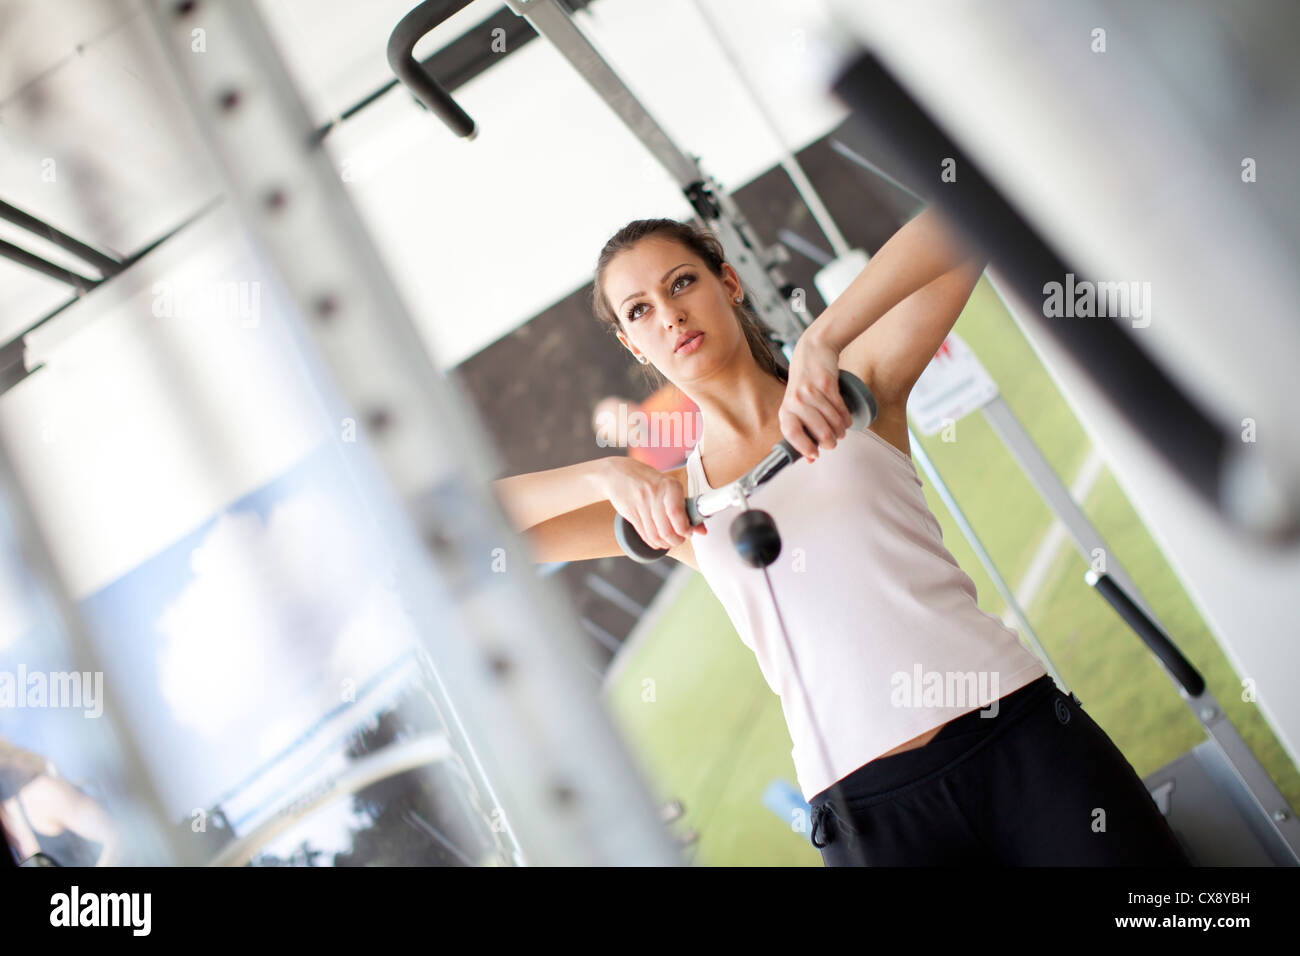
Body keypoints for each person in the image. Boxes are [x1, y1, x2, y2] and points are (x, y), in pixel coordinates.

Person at [492, 210, 1192, 867]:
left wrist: (824, 340)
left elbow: (967, 215)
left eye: (683, 283)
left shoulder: (857, 388)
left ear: (728, 283)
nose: (670, 314)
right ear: (629, 342)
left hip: (1023, 741)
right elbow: (471, 528)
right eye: (639, 310)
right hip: (870, 817)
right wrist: (600, 476)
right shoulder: (677, 510)